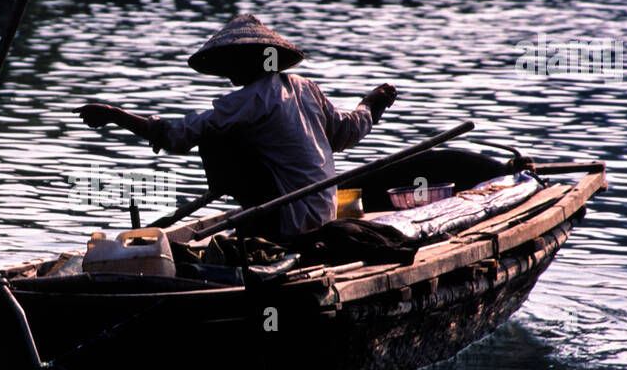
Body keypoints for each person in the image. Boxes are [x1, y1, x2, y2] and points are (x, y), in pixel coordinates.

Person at [76, 13, 398, 240]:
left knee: (213, 139)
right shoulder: (304, 87)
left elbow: (177, 136)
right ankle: (255, 219)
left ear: (251, 61)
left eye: (232, 61)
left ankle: (261, 229)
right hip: (323, 211)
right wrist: (370, 104)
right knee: (221, 134)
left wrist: (114, 114)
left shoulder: (249, 100)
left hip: (292, 220)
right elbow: (348, 130)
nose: (226, 71)